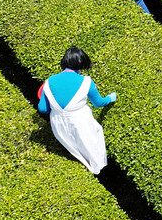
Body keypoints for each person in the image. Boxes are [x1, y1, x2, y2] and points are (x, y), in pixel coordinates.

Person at [37, 46, 116, 175]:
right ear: (81, 64)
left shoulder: (49, 81)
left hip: (58, 124)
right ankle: (101, 172)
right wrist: (111, 98)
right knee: (93, 150)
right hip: (81, 121)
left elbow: (43, 108)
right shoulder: (86, 82)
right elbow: (98, 103)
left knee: (74, 151)